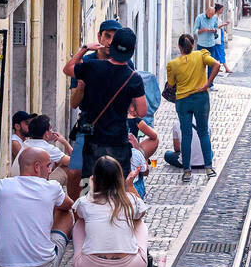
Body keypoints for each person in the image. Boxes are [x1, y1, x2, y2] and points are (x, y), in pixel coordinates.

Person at [0, 147, 75, 267]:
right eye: (48, 166)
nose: (49, 170)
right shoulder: (52, 187)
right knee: (66, 214)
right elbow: (69, 205)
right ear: (37, 167)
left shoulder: (1, 185)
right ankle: (45, 248)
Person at [71, 26, 147, 199]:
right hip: (118, 140)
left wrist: (84, 49)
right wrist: (130, 105)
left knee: (90, 184)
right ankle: (117, 218)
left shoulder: (92, 67)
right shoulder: (133, 78)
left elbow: (69, 68)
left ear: (113, 46)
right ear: (131, 51)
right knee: (120, 186)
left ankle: (88, 214)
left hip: (94, 139)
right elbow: (142, 111)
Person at [73, 155, 151, 267]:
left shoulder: (84, 202)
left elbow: (79, 214)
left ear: (94, 179)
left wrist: (91, 191)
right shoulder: (130, 200)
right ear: (119, 178)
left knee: (80, 222)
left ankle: (89, 253)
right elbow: (141, 212)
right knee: (139, 222)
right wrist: (130, 186)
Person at [165, 33, 221, 180]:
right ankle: (208, 168)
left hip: (183, 101)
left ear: (179, 47)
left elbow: (171, 84)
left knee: (186, 135)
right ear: (193, 45)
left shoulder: (173, 64)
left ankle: (187, 171)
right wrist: (207, 83)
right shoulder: (201, 55)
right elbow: (217, 64)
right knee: (203, 132)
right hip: (201, 99)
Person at [18, 114, 71, 180]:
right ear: (46, 134)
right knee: (68, 167)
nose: (53, 132)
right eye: (50, 129)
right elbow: (75, 162)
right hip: (36, 184)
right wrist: (65, 142)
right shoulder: (48, 148)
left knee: (57, 162)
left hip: (21, 180)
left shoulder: (26, 143)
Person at [126, 104, 159, 199]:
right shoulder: (136, 120)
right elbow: (154, 136)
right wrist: (137, 147)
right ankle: (143, 161)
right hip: (132, 151)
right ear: (132, 107)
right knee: (155, 141)